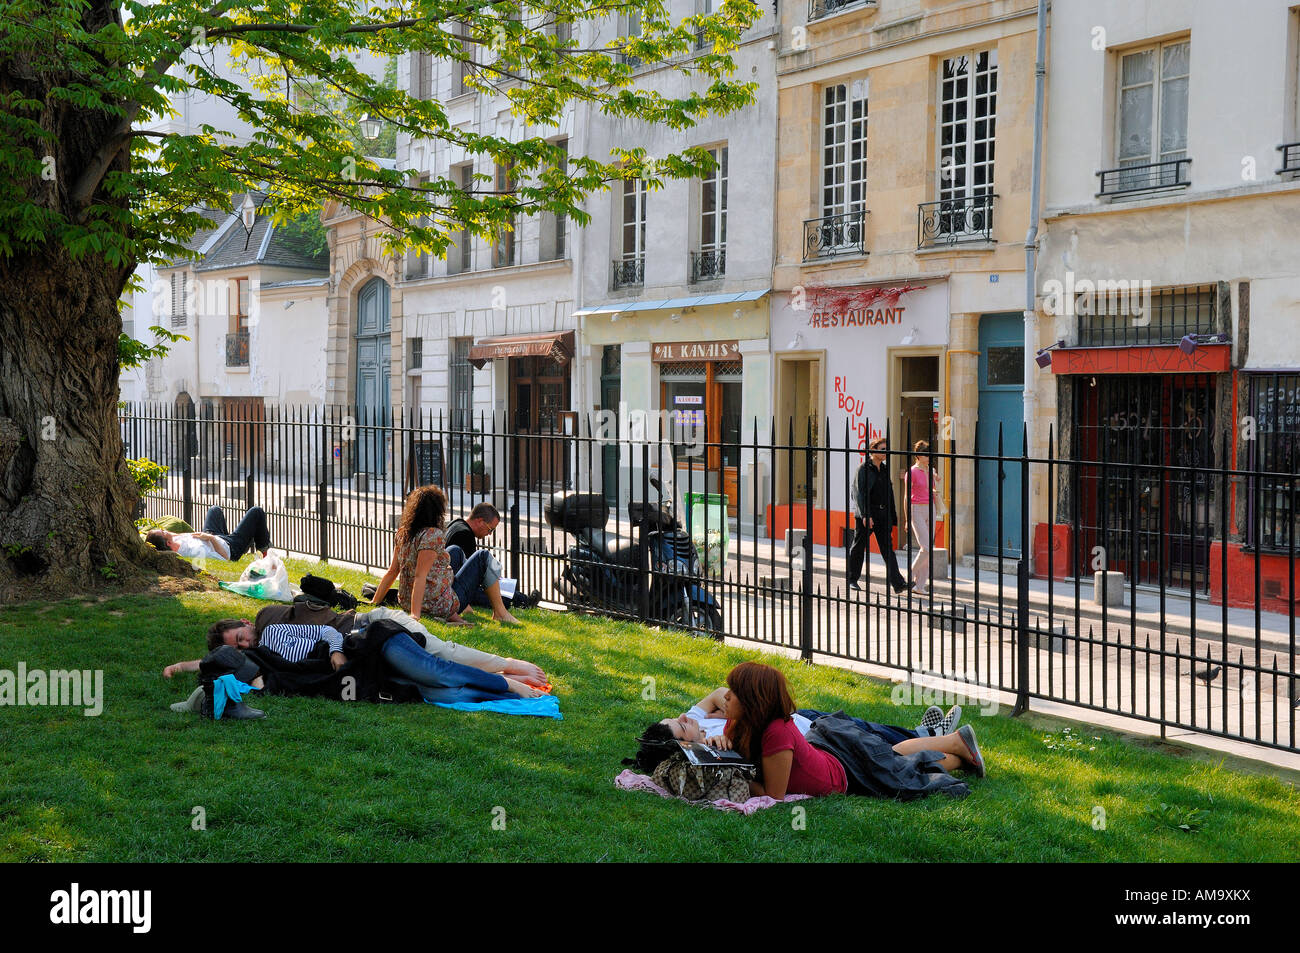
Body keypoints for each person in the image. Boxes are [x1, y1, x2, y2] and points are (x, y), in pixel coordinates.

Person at [719, 661, 981, 799]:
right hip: (829, 748)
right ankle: (958, 749)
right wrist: (719, 742)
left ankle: (957, 748)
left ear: (754, 702)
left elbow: (773, 795)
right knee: (893, 757)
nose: (726, 696)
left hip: (844, 774)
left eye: (735, 692)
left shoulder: (776, 732)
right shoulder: (739, 721)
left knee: (902, 769)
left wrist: (735, 778)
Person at [163, 617, 544, 706]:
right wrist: (181, 667)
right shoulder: (257, 659)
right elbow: (217, 661)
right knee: (440, 693)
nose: (246, 646)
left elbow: (328, 634)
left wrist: (335, 653)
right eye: (240, 647)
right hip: (370, 673)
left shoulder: (276, 631)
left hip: (374, 645)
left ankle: (507, 679)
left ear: (247, 625)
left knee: (436, 668)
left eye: (243, 638)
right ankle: (501, 691)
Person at [370, 485, 520, 625]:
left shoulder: (403, 533)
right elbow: (420, 576)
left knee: (455, 550)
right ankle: (500, 612)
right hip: (436, 604)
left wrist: (375, 602)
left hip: (405, 600)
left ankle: (481, 607)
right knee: (483, 556)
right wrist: (415, 615)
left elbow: (392, 571)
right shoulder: (432, 535)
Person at [653, 687, 962, 748]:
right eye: (680, 725)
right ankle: (931, 737)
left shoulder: (697, 722)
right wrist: (733, 710)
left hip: (801, 717)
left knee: (865, 726)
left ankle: (921, 730)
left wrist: (730, 705)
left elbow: (720, 692)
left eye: (676, 716)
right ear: (684, 745)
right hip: (810, 735)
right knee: (869, 739)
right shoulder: (712, 745)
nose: (684, 715)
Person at [444, 502, 541, 610]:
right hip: (457, 587)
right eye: (490, 529)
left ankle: (523, 599)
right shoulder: (465, 535)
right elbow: (470, 573)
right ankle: (524, 601)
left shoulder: (456, 523)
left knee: (495, 585)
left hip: (451, 583)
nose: (489, 534)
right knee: (494, 594)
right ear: (480, 521)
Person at [847, 436, 909, 594]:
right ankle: (852, 579)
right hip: (868, 514)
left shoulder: (885, 468)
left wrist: (892, 516)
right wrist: (866, 515)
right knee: (859, 546)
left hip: (883, 514)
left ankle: (898, 583)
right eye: (883, 450)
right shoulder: (864, 469)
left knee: (888, 549)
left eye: (887, 450)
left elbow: (888, 493)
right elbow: (859, 493)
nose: (885, 453)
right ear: (873, 451)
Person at [899, 440, 945, 596]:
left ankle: (920, 586)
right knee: (925, 547)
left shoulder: (930, 469)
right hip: (916, 509)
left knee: (928, 549)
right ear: (918, 455)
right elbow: (906, 497)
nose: (928, 457)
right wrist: (907, 518)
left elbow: (935, 482)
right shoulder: (911, 472)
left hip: (930, 508)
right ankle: (909, 576)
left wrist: (935, 478)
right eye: (926, 454)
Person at [146, 504, 270, 562]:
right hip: (229, 547)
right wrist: (210, 538)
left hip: (211, 536)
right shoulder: (193, 551)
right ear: (168, 543)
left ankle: (246, 541)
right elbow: (226, 558)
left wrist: (208, 536)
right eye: (163, 531)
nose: (165, 530)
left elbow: (172, 535)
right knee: (256, 512)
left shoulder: (174, 542)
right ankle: (265, 554)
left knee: (214, 510)